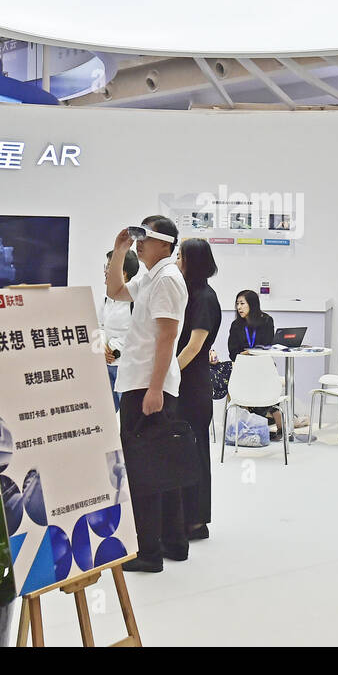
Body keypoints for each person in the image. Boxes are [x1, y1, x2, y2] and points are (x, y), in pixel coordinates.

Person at [106, 216, 190, 574]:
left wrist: (155, 388)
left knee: (144, 470)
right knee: (161, 465)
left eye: (146, 238)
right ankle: (172, 543)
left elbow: (168, 336)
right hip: (142, 381)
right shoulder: (151, 276)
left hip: (147, 385)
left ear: (167, 244)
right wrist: (119, 249)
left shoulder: (167, 279)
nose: (140, 243)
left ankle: (148, 550)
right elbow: (114, 291)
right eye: (137, 237)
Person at [175, 238, 220, 541]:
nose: (177, 261)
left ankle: (196, 521)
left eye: (180, 257)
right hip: (183, 383)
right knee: (182, 453)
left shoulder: (205, 297)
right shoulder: (187, 293)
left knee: (196, 453)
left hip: (192, 385)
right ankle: (184, 517)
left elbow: (194, 347)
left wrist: (165, 376)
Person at [226, 289, 289, 438]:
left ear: (252, 304)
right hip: (243, 366)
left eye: (242, 303)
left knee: (266, 383)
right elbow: (232, 351)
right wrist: (246, 354)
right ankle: (255, 421)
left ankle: (275, 420)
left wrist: (250, 352)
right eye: (237, 304)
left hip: (263, 365)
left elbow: (267, 344)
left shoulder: (266, 320)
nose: (239, 307)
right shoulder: (236, 325)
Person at [99, 248, 139, 411]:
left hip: (127, 367)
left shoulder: (135, 298)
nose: (106, 271)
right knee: (106, 413)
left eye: (110, 266)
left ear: (123, 273)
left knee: (128, 416)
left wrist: (113, 350)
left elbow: (137, 333)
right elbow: (100, 326)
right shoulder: (107, 297)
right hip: (106, 364)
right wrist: (102, 347)